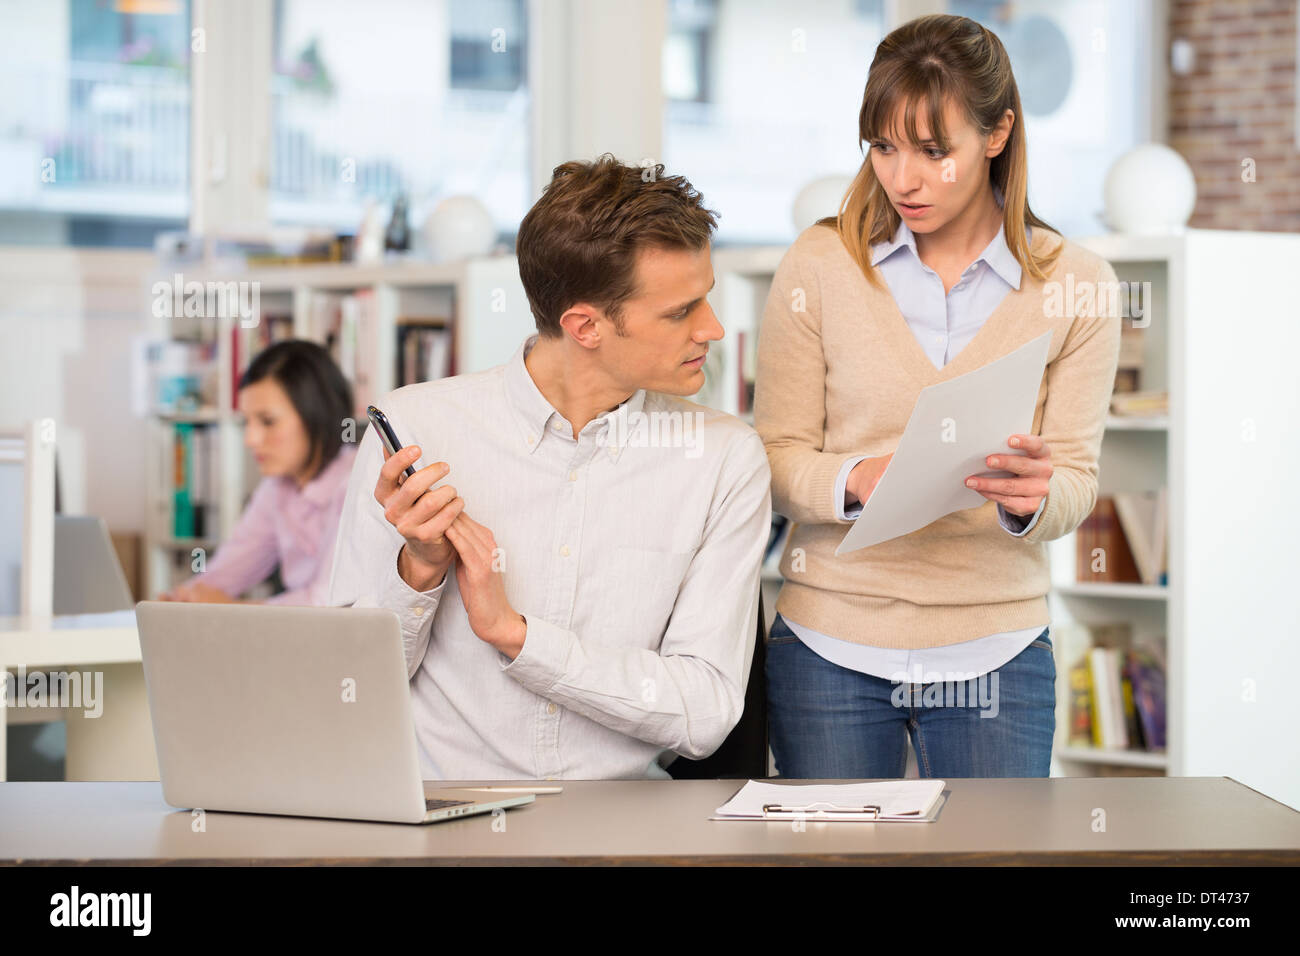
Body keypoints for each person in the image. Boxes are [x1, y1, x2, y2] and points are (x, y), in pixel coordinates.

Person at [754, 14, 1122, 778]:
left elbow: (1077, 480)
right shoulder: (821, 264)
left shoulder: (1078, 285)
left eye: (934, 151)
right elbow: (773, 456)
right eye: (883, 147)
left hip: (997, 646)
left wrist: (1030, 498)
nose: (904, 179)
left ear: (997, 135)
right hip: (829, 641)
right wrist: (854, 481)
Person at [328, 154, 772, 780]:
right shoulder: (415, 435)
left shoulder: (724, 459)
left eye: (707, 300)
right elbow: (349, 690)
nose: (715, 328)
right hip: (442, 821)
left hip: (625, 832)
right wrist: (419, 573)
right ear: (585, 325)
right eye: (680, 312)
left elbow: (705, 714)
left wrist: (518, 636)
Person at [161, 339, 357, 606]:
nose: (250, 439)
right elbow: (227, 570)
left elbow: (331, 602)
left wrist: (232, 610)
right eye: (247, 422)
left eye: (268, 421)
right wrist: (183, 599)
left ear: (316, 415)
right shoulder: (277, 487)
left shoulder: (358, 485)